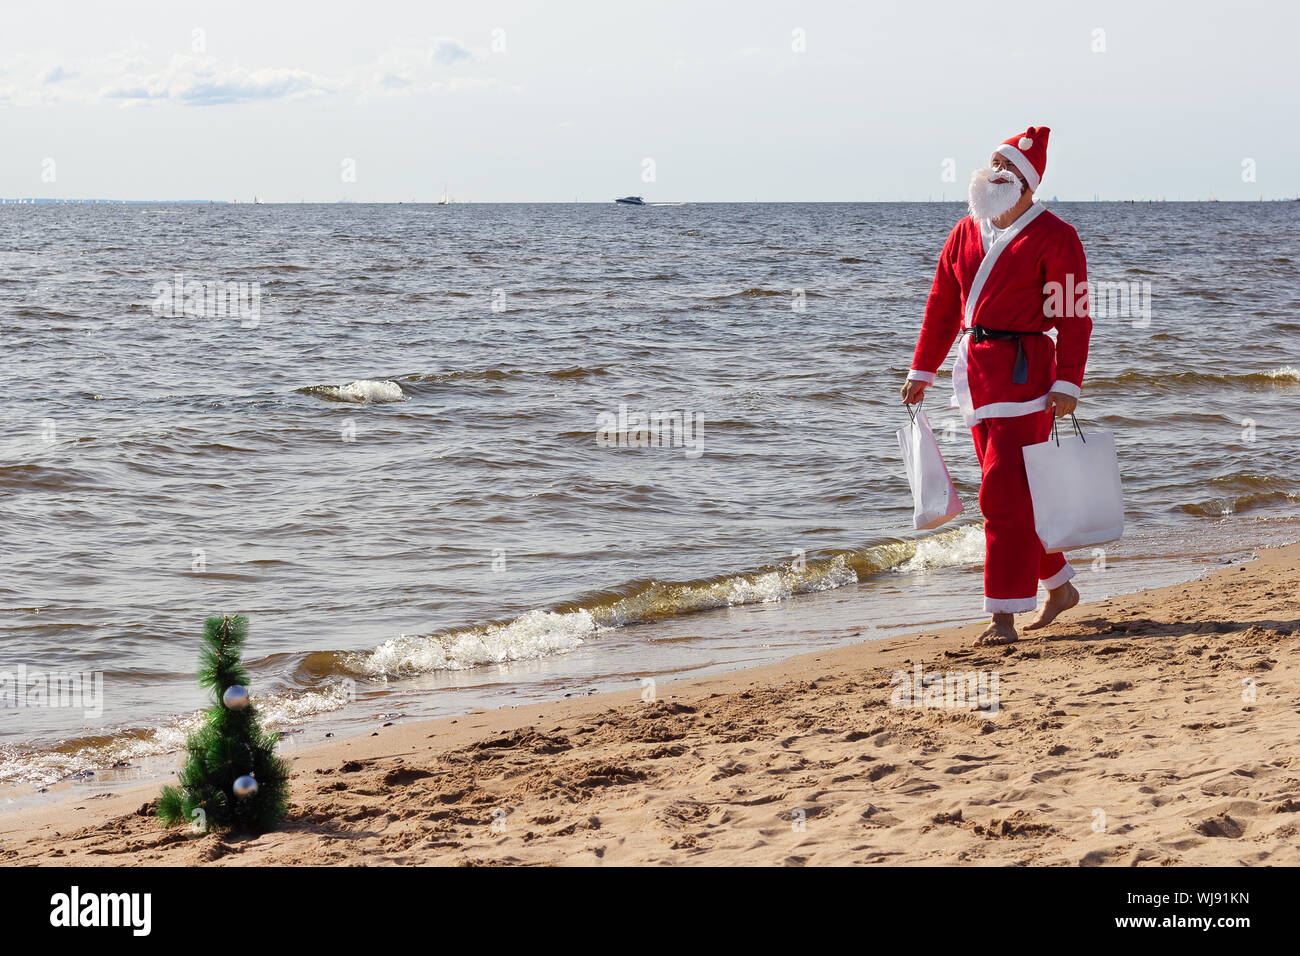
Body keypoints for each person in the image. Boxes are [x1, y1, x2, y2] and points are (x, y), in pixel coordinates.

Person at [900, 126, 1092, 646]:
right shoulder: (965, 231)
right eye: (992, 163)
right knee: (1014, 491)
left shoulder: (1056, 234)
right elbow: (942, 303)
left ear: (1027, 183)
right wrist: (923, 370)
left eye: (1007, 168)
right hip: (974, 376)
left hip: (1026, 374)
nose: (995, 173)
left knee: (1001, 495)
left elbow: (1074, 316)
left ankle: (1003, 615)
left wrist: (1068, 381)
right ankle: (1058, 584)